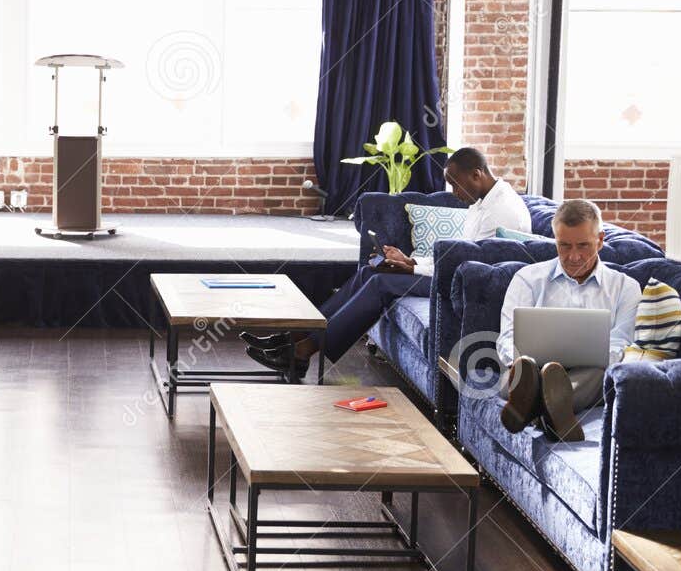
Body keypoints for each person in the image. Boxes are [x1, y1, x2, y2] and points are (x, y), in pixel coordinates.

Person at [243, 147, 532, 376]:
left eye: (456, 185)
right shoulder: (482, 201)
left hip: (467, 287)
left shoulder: (500, 211)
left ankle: (304, 351)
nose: (454, 193)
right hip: (454, 272)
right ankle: (297, 335)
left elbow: (466, 267)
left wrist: (412, 267)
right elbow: (459, 253)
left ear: (477, 175)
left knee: (382, 283)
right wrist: (409, 260)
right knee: (372, 271)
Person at [497, 199, 640, 442]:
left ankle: (534, 406)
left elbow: (621, 344)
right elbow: (507, 338)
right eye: (564, 246)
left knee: (601, 373)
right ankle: (553, 410)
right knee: (518, 373)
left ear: (601, 240)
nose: (574, 256)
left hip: (589, 374)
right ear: (555, 241)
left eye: (583, 245)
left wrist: (582, 359)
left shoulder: (625, 288)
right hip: (531, 368)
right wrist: (521, 360)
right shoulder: (528, 279)